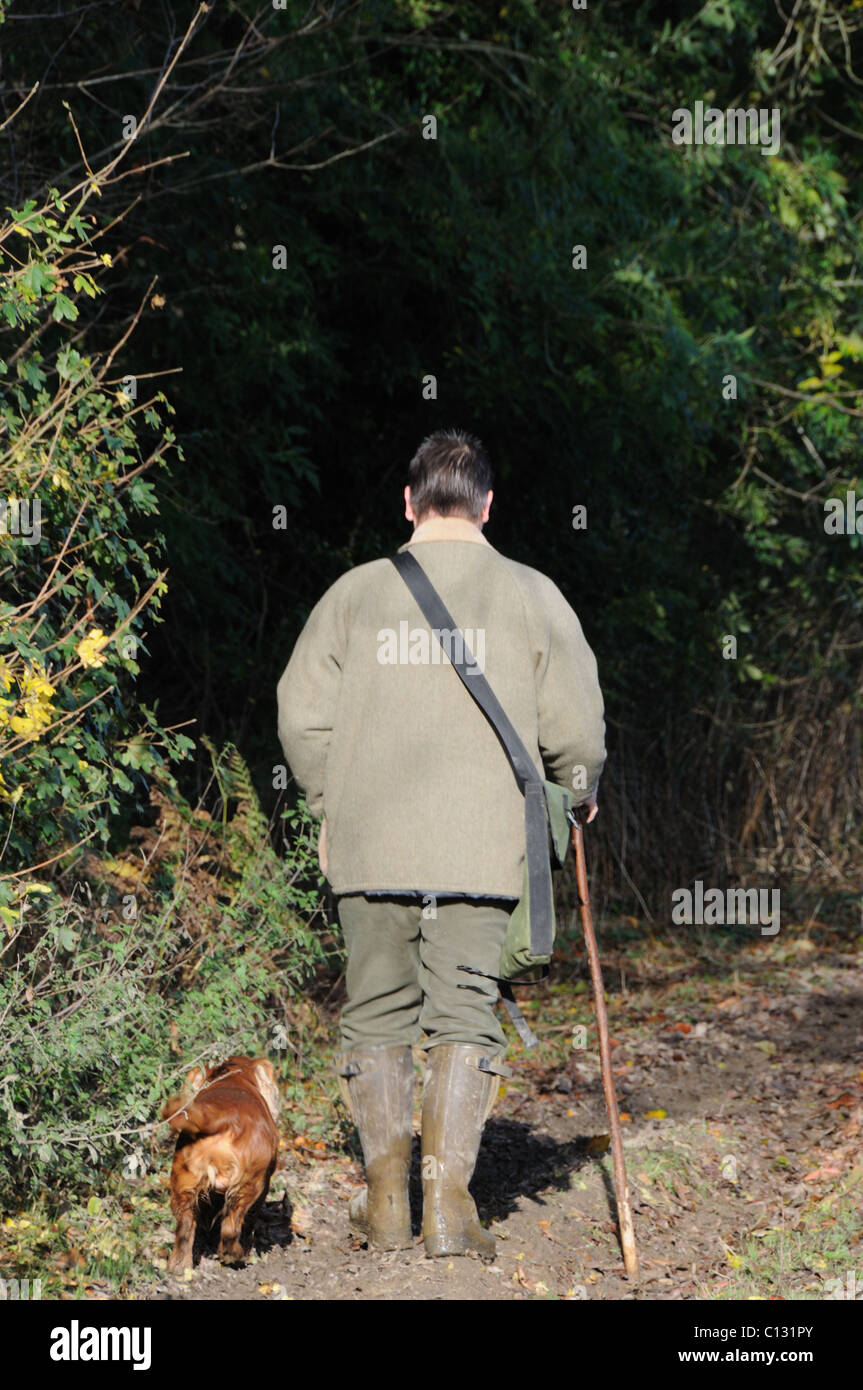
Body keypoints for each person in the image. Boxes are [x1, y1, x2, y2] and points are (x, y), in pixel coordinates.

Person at [276, 428, 605, 1258]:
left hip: (370, 847)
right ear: (486, 505)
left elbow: (299, 715)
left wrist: (332, 804)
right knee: (464, 1013)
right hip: (482, 848)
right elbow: (576, 730)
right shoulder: (532, 593)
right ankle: (449, 1211)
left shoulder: (352, 594)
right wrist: (578, 792)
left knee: (375, 1013)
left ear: (408, 503)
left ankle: (386, 1206)